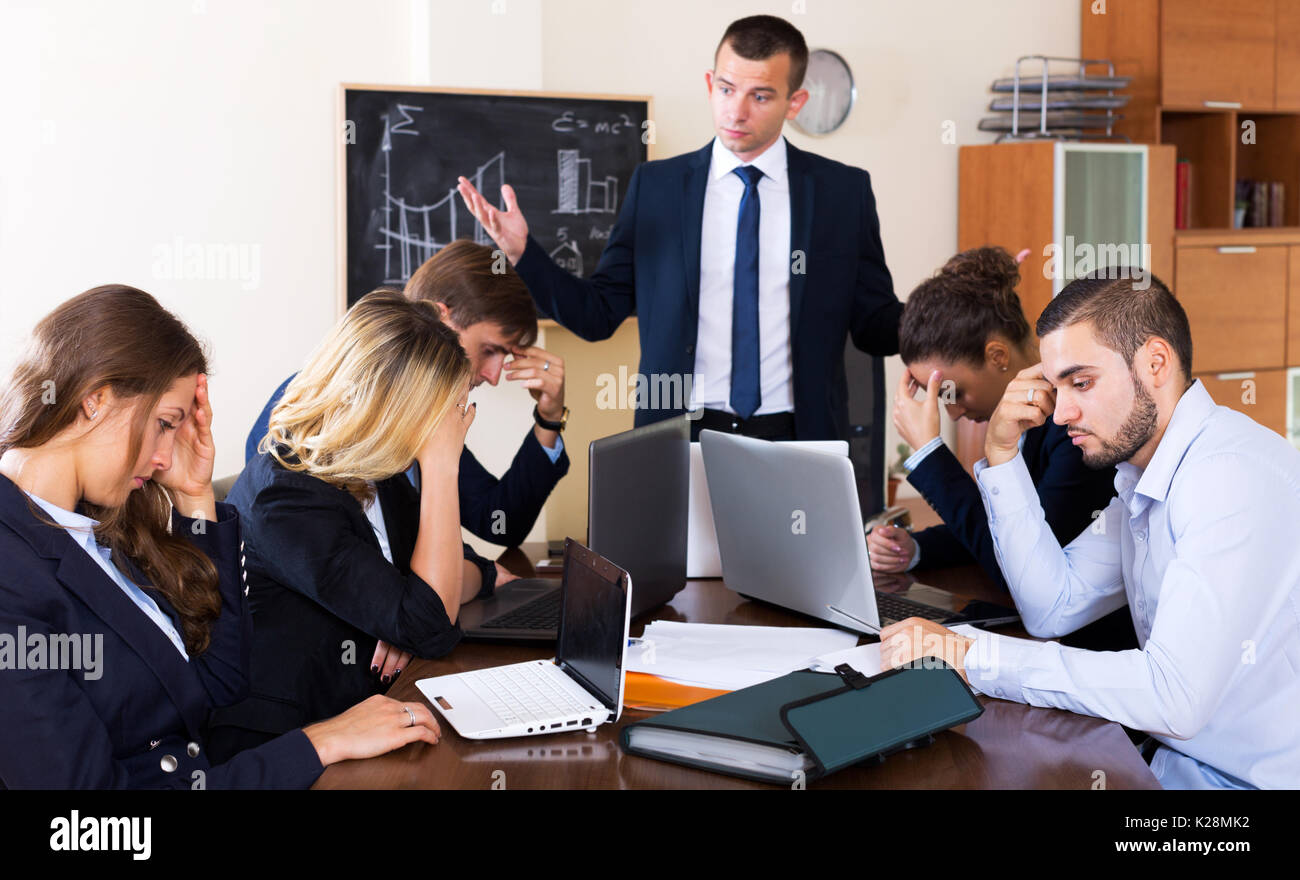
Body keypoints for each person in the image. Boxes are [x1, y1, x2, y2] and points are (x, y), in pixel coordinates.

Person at [0, 285, 441, 788]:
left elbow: (220, 681)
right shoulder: (14, 574)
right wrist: (318, 744)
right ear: (96, 400)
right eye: (165, 424)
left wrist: (194, 498)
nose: (165, 456)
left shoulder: (97, 526)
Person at [880, 272, 1300, 789]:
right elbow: (1050, 608)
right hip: (1171, 767)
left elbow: (1173, 699)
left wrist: (973, 655)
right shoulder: (1143, 478)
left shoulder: (1227, 477)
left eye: (1081, 383)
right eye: (1056, 388)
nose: (1063, 415)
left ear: (1155, 363)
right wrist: (1002, 456)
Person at [457, 15, 902, 442]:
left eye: (760, 96)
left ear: (795, 103)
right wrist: (523, 254)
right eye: (726, 89)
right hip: (679, 434)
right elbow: (598, 315)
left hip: (797, 437)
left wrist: (950, 315)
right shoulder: (657, 188)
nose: (737, 111)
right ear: (711, 84)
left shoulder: (842, 193)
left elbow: (874, 325)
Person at [210, 291, 492, 759]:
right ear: (393, 407)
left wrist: (405, 611)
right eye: (450, 412)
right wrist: (443, 465)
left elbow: (455, 575)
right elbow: (431, 620)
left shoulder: (373, 467)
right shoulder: (286, 494)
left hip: (364, 709)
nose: (456, 425)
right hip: (285, 742)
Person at [245, 240, 569, 547]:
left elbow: (497, 521)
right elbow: (364, 568)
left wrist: (549, 419)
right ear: (443, 320)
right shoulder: (306, 417)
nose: (495, 376)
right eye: (489, 351)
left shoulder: (428, 415)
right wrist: (477, 574)